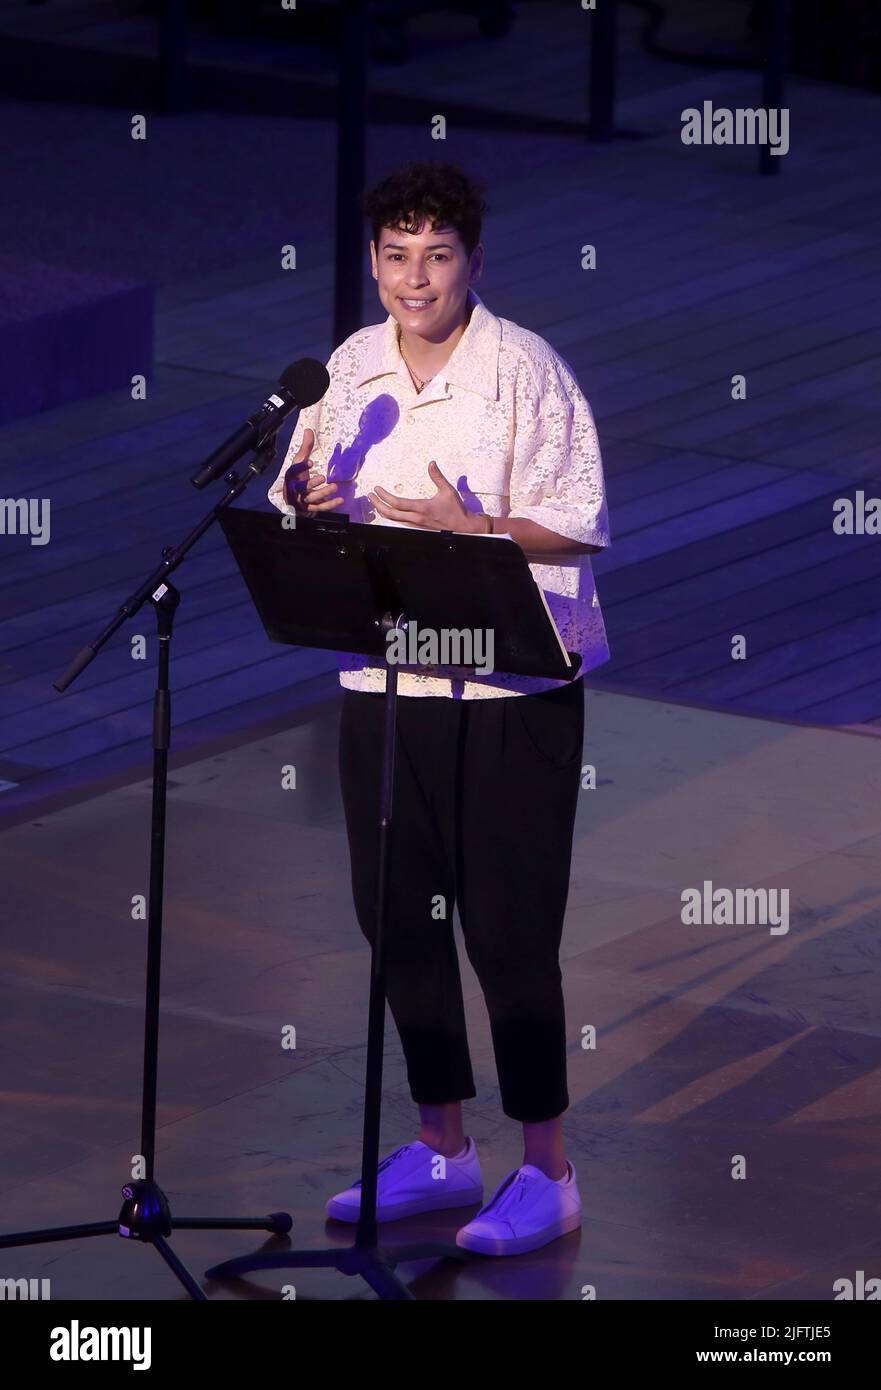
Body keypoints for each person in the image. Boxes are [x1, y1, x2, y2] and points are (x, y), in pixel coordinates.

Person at [268, 160, 611, 1257]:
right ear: (371, 261)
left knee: (508, 931)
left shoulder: (524, 372)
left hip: (508, 688)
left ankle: (547, 1172)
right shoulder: (349, 365)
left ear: (472, 260)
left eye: (437, 254)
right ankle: (439, 1147)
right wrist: (308, 502)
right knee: (397, 920)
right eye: (395, 255)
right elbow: (293, 492)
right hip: (386, 680)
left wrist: (476, 531)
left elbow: (581, 518)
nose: (415, 278)